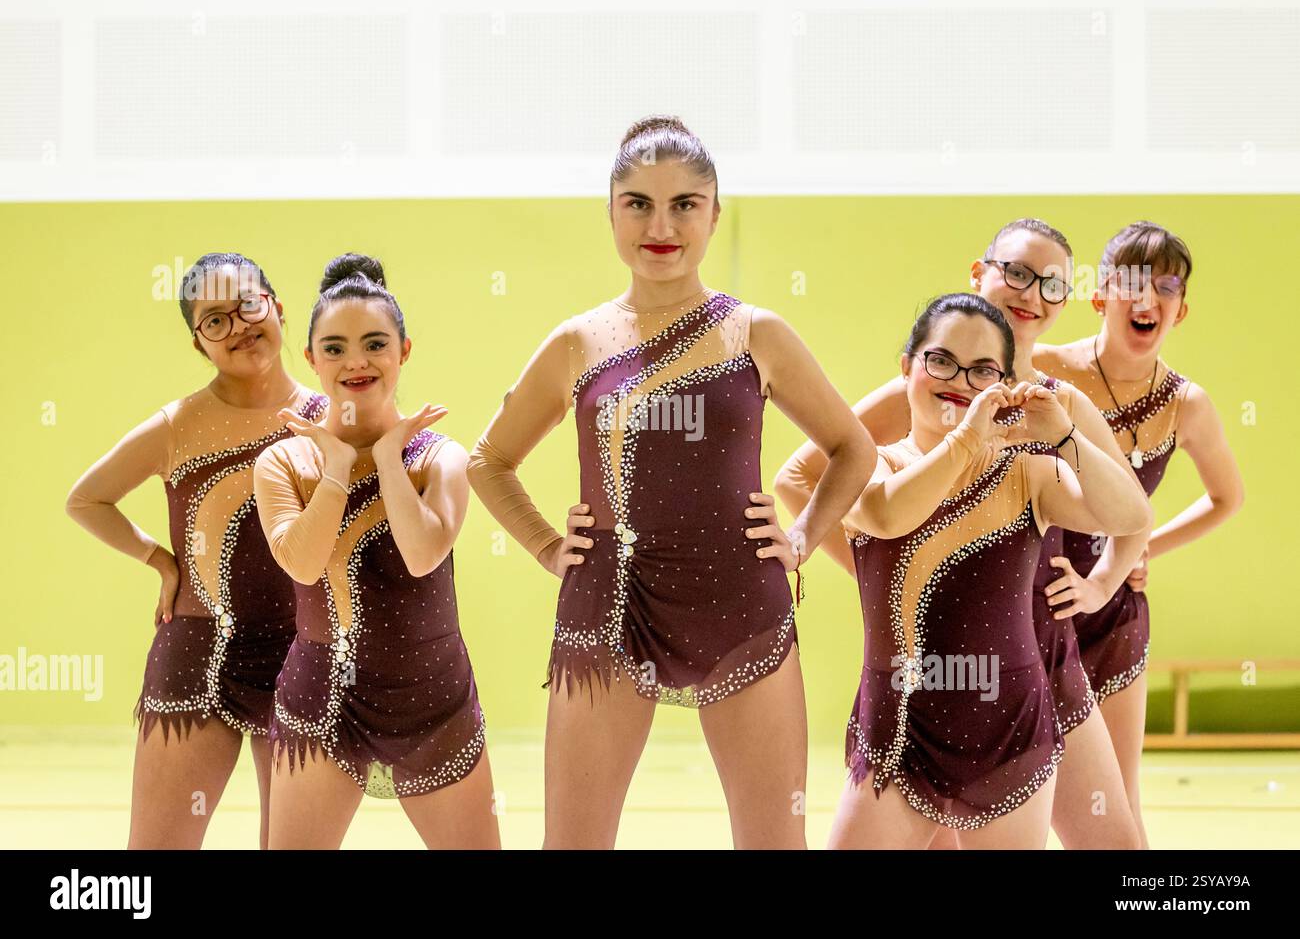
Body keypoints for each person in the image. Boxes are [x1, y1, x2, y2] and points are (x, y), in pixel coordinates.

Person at [466, 115, 876, 848]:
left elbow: (852, 447)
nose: (662, 225)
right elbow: (487, 461)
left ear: (715, 214)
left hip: (740, 597)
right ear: (611, 213)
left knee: (774, 842)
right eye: (639, 204)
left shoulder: (756, 332)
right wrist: (544, 545)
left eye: (686, 203)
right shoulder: (578, 342)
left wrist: (805, 535)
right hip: (608, 600)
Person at [777, 218, 1147, 848]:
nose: (1029, 292)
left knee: (1114, 835)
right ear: (980, 273)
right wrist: (891, 575)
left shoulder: (1050, 421)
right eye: (1016, 272)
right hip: (915, 681)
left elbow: (1129, 514)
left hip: (1039, 656)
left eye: (1050, 283)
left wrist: (1103, 580)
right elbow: (809, 480)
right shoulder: (921, 394)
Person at [66, 252, 325, 848]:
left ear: (277, 307)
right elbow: (87, 500)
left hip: (303, 652)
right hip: (197, 652)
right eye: (215, 320)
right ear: (198, 343)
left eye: (248, 305)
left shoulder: (327, 418)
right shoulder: (178, 424)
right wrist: (161, 560)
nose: (237, 326)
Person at [253, 254, 498, 849]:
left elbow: (421, 555)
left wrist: (389, 456)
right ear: (309, 359)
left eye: (374, 343)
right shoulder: (282, 462)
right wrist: (337, 466)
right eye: (333, 348)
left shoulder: (440, 457)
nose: (354, 361)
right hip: (323, 695)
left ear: (403, 350)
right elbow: (304, 564)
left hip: (432, 695)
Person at [1034, 221, 1245, 847]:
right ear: (1098, 295)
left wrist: (1143, 548)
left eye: (1166, 287)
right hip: (1030, 605)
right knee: (999, 789)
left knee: (1115, 805)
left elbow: (1226, 498)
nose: (1146, 297)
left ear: (1182, 310)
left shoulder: (1187, 404)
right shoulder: (1046, 369)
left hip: (1113, 619)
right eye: (1129, 283)